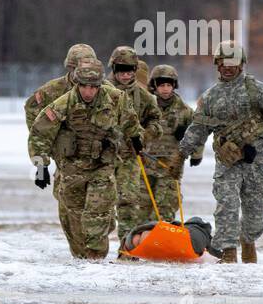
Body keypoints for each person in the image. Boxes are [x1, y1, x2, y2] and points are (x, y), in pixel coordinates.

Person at [178, 41, 263, 263]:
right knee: (226, 206)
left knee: (255, 214)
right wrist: (181, 154)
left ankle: (248, 240)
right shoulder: (210, 97)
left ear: (241, 64)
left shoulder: (258, 91)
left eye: (233, 62)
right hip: (227, 164)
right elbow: (198, 128)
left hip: (255, 163)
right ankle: (228, 252)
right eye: (223, 62)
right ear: (217, 64)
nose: (228, 67)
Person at [29, 57, 142, 260]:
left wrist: (135, 138)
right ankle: (84, 257)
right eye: (84, 86)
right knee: (76, 219)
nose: (88, 91)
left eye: (93, 87)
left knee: (96, 215)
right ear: (77, 84)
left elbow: (131, 121)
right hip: (72, 168)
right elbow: (40, 133)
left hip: (102, 166)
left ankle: (95, 260)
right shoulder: (63, 104)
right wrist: (41, 166)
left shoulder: (116, 98)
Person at [25, 43, 100, 258]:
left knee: (101, 208)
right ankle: (81, 253)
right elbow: (35, 117)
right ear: (70, 68)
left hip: (99, 160)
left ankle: (94, 251)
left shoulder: (103, 90)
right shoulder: (53, 91)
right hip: (67, 160)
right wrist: (43, 157)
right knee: (68, 207)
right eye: (77, 69)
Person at [105, 46, 163, 244]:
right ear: (113, 68)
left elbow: (156, 123)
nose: (126, 74)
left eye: (130, 70)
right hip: (101, 157)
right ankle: (95, 247)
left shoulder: (144, 97)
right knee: (101, 203)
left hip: (129, 157)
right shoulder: (99, 90)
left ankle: (127, 247)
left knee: (129, 202)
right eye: (121, 69)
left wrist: (143, 136)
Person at [141, 63, 196, 222]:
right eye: (161, 85)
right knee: (142, 206)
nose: (165, 89)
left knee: (166, 206)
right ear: (154, 86)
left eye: (168, 85)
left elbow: (197, 132)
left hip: (171, 165)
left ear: (174, 86)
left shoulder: (185, 110)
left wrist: (194, 152)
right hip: (145, 163)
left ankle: (162, 240)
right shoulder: (145, 106)